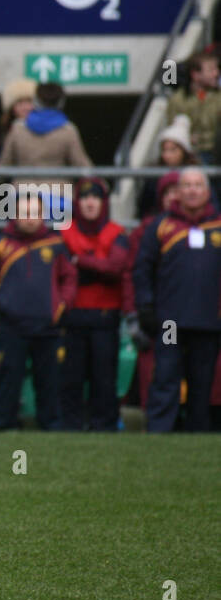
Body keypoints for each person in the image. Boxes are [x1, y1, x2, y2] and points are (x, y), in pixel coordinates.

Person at [0, 191, 77, 431]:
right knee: (9, 380)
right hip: (12, 328)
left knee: (50, 383)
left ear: (43, 215)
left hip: (49, 328)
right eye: (24, 213)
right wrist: (3, 304)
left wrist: (62, 306)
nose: (30, 218)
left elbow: (69, 278)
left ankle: (52, 428)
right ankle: (3, 427)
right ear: (14, 215)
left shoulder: (57, 244)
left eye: (34, 213)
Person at [133, 166, 221, 432]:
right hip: (170, 320)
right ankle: (160, 429)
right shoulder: (161, 225)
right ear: (178, 192)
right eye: (187, 185)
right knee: (167, 373)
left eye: (197, 185)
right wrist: (145, 304)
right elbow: (142, 268)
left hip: (208, 320)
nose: (192, 190)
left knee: (202, 379)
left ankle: (197, 431)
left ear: (207, 192)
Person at [59, 177, 129, 431]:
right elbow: (62, 270)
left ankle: (105, 425)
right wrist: (95, 268)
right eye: (85, 198)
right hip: (73, 315)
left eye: (95, 198)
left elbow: (115, 267)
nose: (90, 203)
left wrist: (81, 262)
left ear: (104, 202)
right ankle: (71, 426)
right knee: (71, 377)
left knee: (104, 376)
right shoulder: (64, 231)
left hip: (105, 316)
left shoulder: (117, 233)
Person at [165, 50, 221, 163]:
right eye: (211, 70)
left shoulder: (219, 97)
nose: (216, 73)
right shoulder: (178, 100)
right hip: (190, 157)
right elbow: (173, 133)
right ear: (195, 75)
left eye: (217, 69)